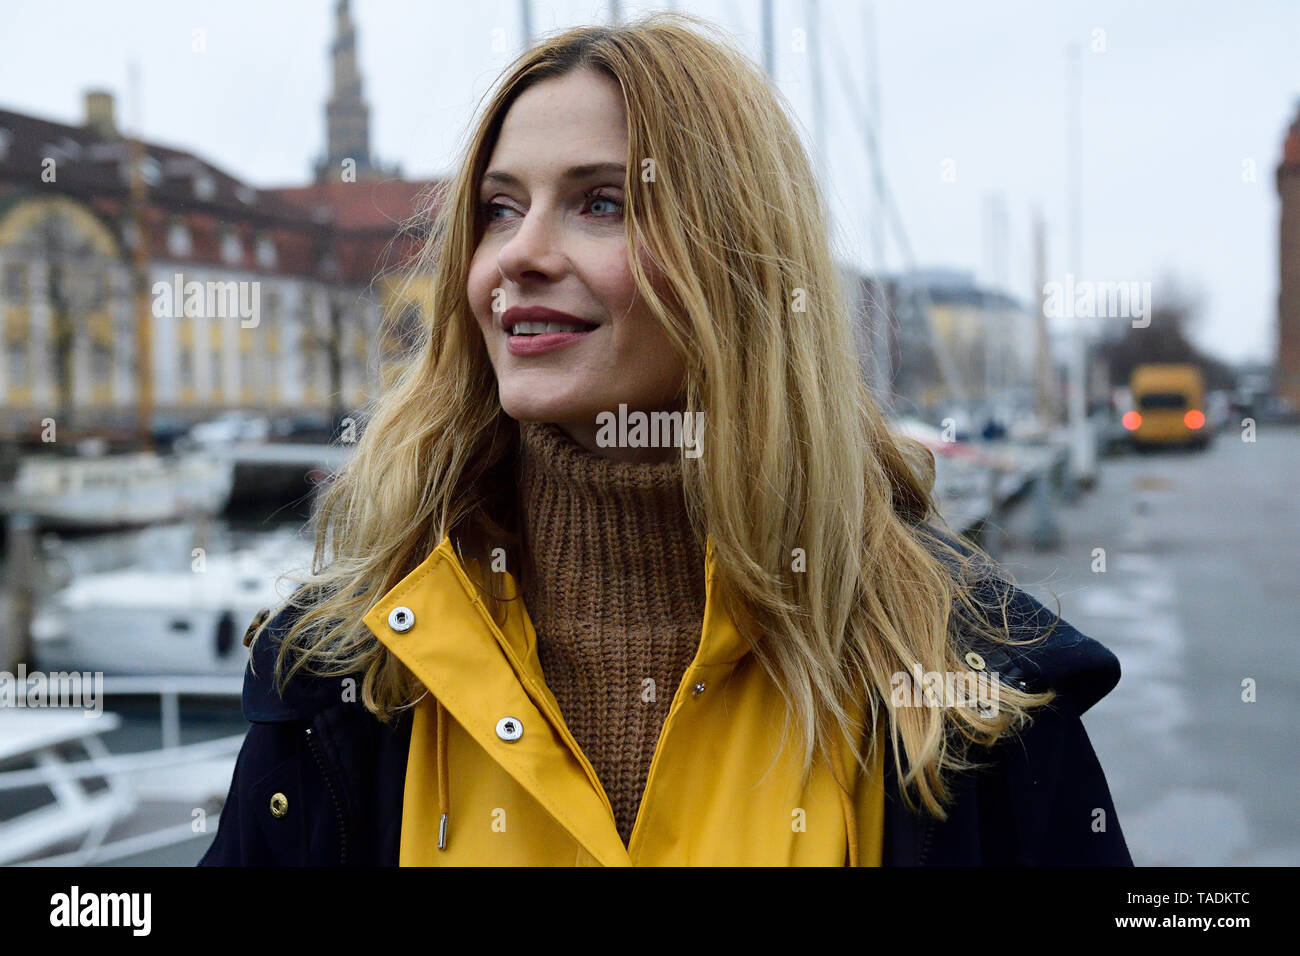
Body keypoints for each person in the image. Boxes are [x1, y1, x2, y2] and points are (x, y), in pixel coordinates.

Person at [200, 12, 1131, 866]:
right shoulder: (346, 673)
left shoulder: (957, 677)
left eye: (601, 202)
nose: (519, 253)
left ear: (737, 258)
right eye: (499, 207)